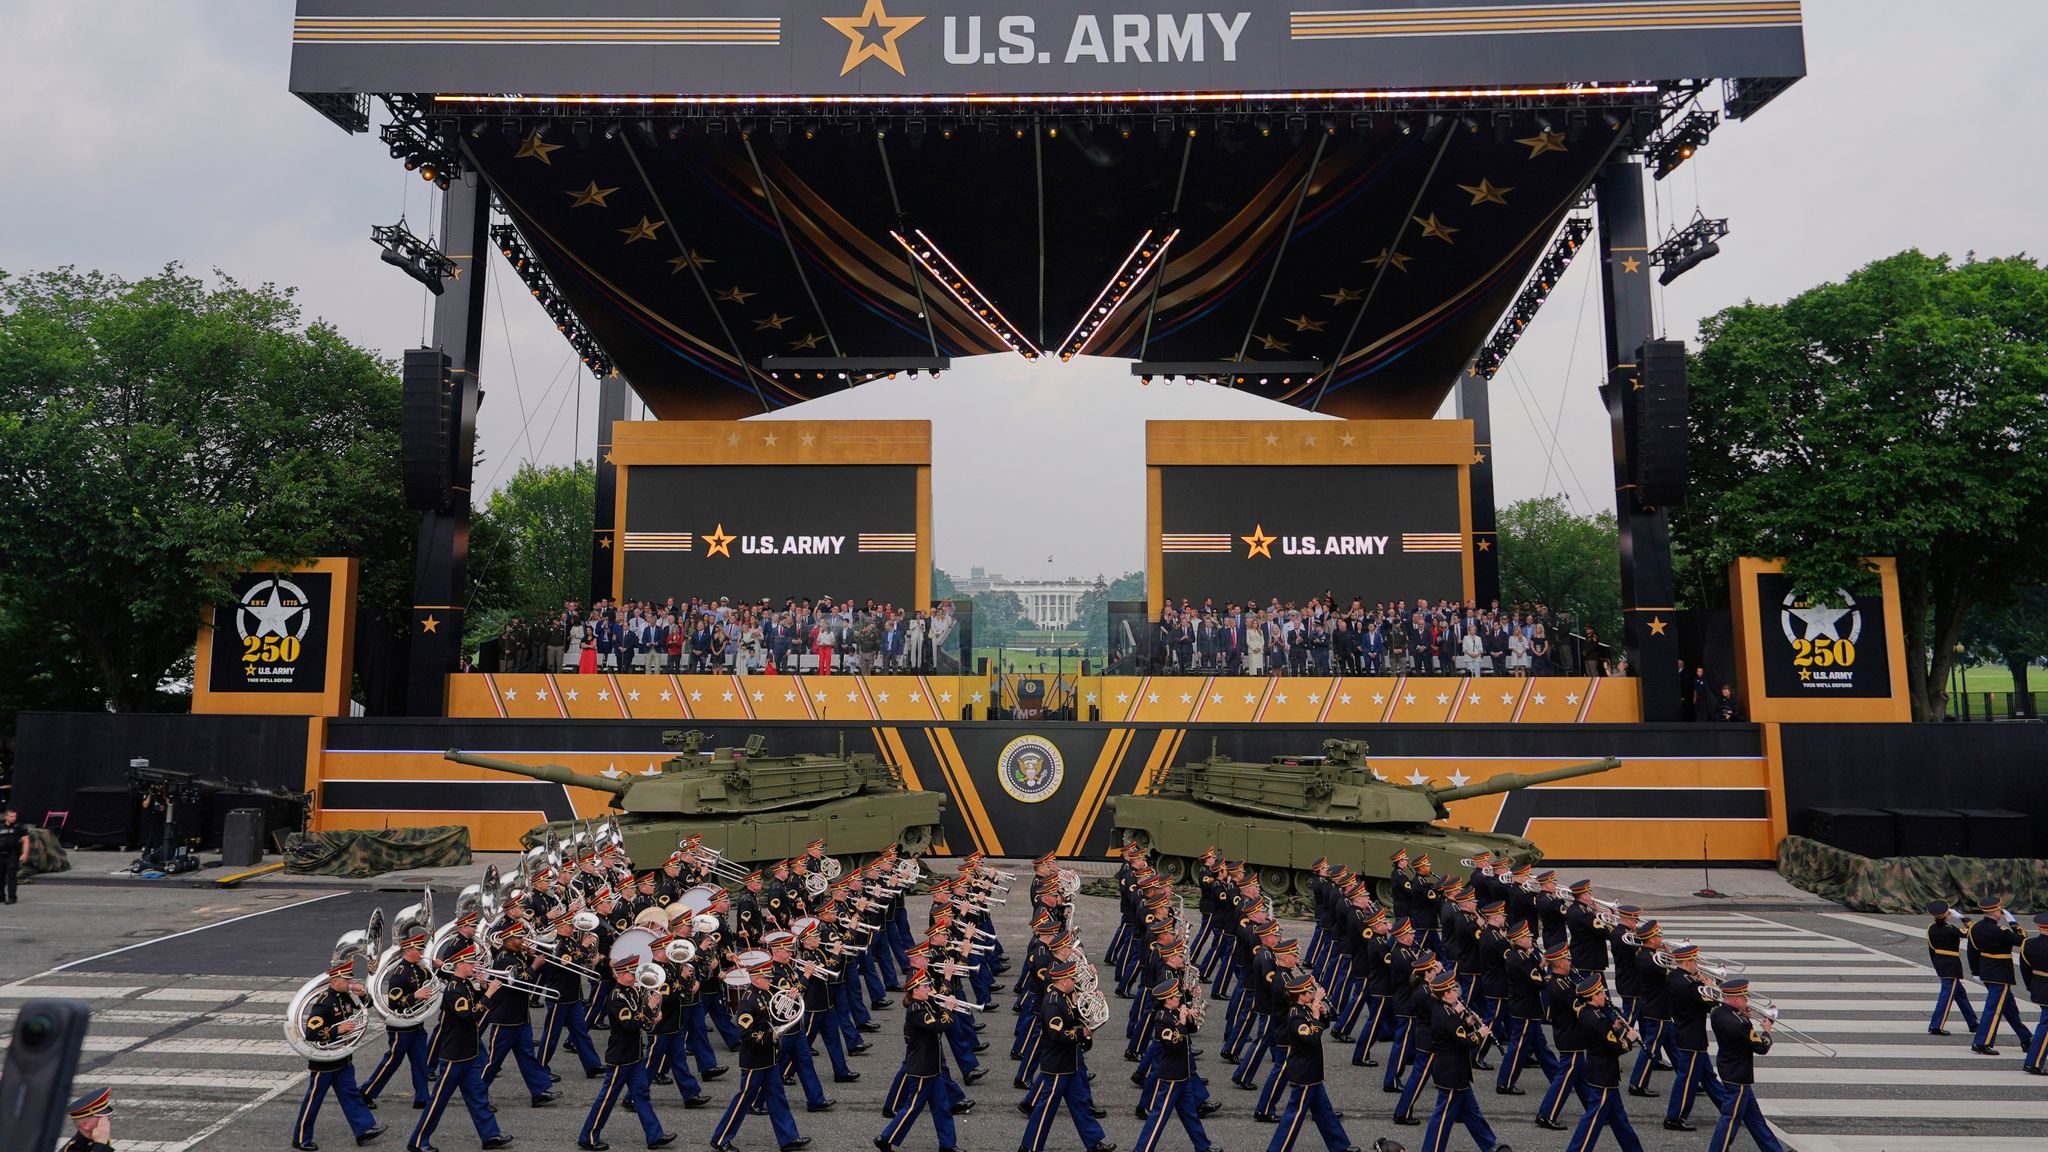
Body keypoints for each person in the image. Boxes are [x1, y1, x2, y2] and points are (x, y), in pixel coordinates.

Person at [408, 943, 512, 1152]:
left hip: (469, 1054)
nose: (475, 966)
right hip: (454, 1057)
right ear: (460, 965)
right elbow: (469, 1016)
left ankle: (490, 1136)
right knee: (438, 1102)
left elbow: (479, 1005)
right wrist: (489, 994)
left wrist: (484, 987)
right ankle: (417, 1142)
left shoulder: (466, 985)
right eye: (471, 963)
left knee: (478, 1098)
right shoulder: (454, 990)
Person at [710, 957, 807, 1152]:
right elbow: (745, 1034)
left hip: (769, 1057)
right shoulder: (748, 1002)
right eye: (767, 978)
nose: (771, 980)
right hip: (754, 1061)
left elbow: (778, 1012)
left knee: (777, 1098)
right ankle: (720, 1139)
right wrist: (770, 1036)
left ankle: (789, 1138)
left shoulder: (767, 992)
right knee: (743, 1101)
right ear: (756, 979)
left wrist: (791, 997)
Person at [579, 955, 676, 1151]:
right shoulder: (616, 998)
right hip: (621, 1057)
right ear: (620, 975)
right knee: (607, 1099)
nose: (635, 976)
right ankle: (588, 1136)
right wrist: (649, 1011)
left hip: (635, 1055)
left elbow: (642, 1018)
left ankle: (654, 1136)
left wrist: (653, 1015)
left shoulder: (632, 991)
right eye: (632, 973)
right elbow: (630, 1024)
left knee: (641, 1095)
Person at [293, 955, 383, 1151]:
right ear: (335, 981)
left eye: (350, 979)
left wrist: (362, 994)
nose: (350, 982)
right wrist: (337, 1030)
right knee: (314, 1100)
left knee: (351, 1094)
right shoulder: (324, 1003)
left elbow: (367, 1005)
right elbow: (311, 1033)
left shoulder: (345, 996)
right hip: (325, 1062)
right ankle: (301, 1138)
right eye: (347, 979)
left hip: (342, 1056)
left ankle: (363, 1129)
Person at [874, 968, 960, 1152]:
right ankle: (885, 1138)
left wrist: (947, 983)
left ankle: (947, 1145)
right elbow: (938, 1026)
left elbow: (939, 1001)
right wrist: (949, 1010)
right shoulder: (916, 1010)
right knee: (912, 1108)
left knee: (942, 1107)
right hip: (922, 1069)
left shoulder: (925, 1003)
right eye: (925, 986)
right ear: (915, 990)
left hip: (932, 1067)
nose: (929, 988)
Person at [1564, 974, 1646, 1152]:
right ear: (1593, 996)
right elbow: (1616, 1047)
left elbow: (1602, 1037)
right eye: (1600, 993)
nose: (1604, 996)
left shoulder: (1586, 1013)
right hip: (1603, 1075)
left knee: (1620, 1121)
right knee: (1591, 1122)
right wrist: (1630, 1038)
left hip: (1601, 1073)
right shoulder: (1598, 1019)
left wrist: (1614, 1028)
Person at [361, 921, 435, 1112]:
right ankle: (366, 1092)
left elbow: (434, 983)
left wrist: (438, 968)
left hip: (416, 1024)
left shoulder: (421, 969)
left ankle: (422, 1098)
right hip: (401, 1028)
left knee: (420, 1062)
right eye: (419, 949)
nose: (422, 952)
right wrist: (414, 996)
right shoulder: (399, 974)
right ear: (408, 950)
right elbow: (394, 1003)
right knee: (392, 1062)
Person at [1707, 978, 1784, 1152]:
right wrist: (1767, 1030)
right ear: (1735, 999)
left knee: (1756, 1120)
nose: (1746, 1001)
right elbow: (1762, 1047)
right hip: (1738, 1076)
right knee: (1729, 1120)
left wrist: (1743, 1015)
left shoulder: (1718, 1012)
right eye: (1743, 998)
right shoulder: (1741, 1024)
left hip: (1729, 1068)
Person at [1968, 897, 2035, 1056]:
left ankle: (2026, 1038)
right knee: (1993, 1009)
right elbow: (2023, 940)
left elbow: (1972, 951)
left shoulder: (1975, 928)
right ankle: (1981, 1042)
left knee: (2009, 1009)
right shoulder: (2002, 931)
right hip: (2001, 975)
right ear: (1996, 912)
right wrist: (2013, 923)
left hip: (1986, 972)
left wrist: (1975, 972)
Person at [1924, 902, 1980, 1036]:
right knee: (1946, 996)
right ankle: (1935, 1025)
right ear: (1947, 915)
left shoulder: (1931, 928)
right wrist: (1962, 917)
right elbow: (1974, 931)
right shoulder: (1950, 930)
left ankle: (1973, 1023)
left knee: (1960, 994)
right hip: (1951, 966)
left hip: (1940, 963)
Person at [0, 807, 27, 903]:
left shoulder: (19, 827)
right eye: (11, 816)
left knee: (11, 876)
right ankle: (1, 897)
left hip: (12, 854)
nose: (13, 818)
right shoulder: (1, 826)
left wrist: (25, 853)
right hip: (1, 855)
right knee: (0, 877)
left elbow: (26, 840)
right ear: (6, 817)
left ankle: (12, 897)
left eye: (14, 816)